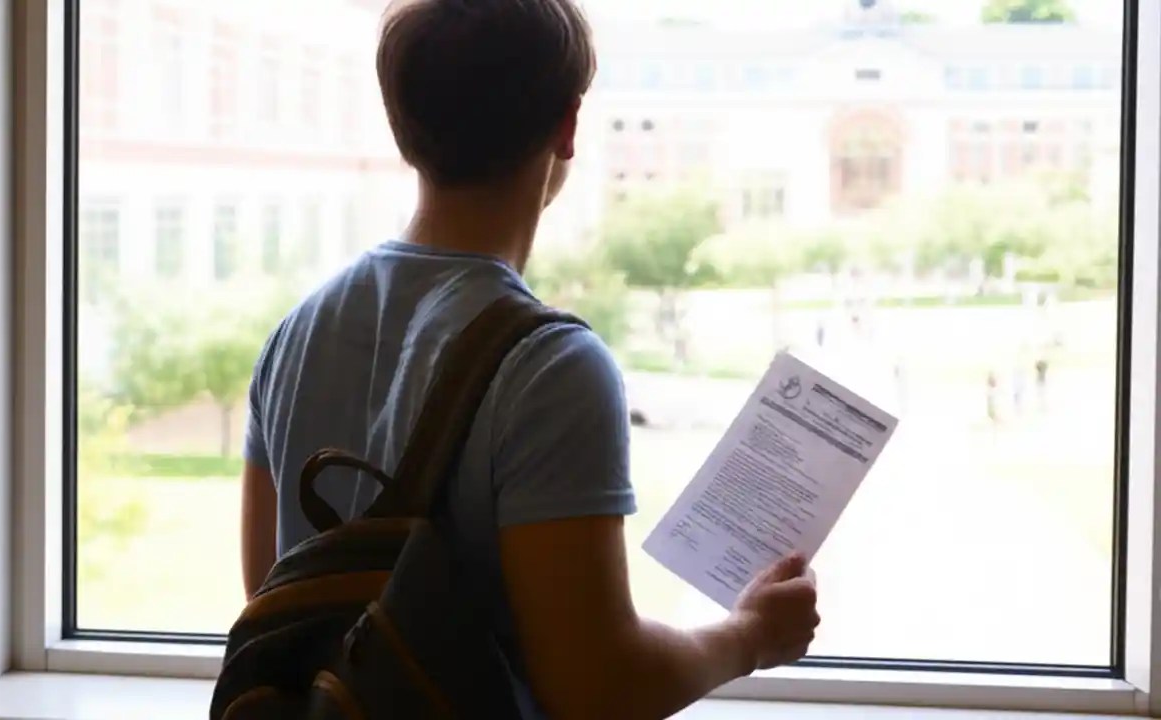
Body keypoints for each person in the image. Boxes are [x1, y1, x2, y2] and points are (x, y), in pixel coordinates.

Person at [239, 1, 820, 717]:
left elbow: (275, 611)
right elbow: (598, 687)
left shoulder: (292, 337)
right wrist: (751, 637)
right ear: (569, 126)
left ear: (403, 125)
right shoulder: (553, 368)